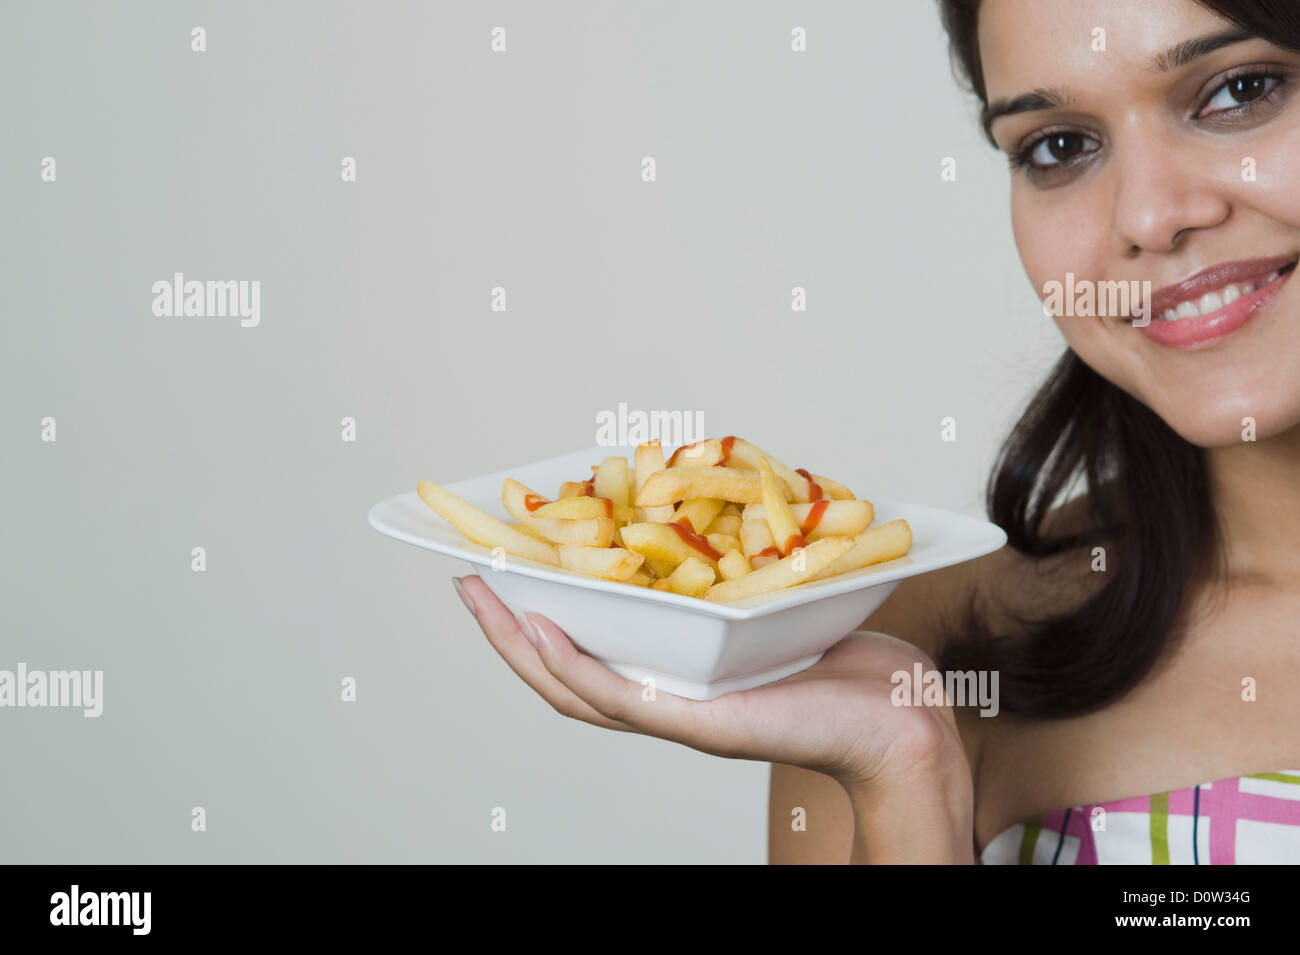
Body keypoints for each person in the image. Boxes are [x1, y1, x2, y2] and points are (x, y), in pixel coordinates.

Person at [452, 0, 1300, 864]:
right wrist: (906, 781)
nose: (1150, 216)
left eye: (1242, 89)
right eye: (1060, 145)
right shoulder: (917, 646)